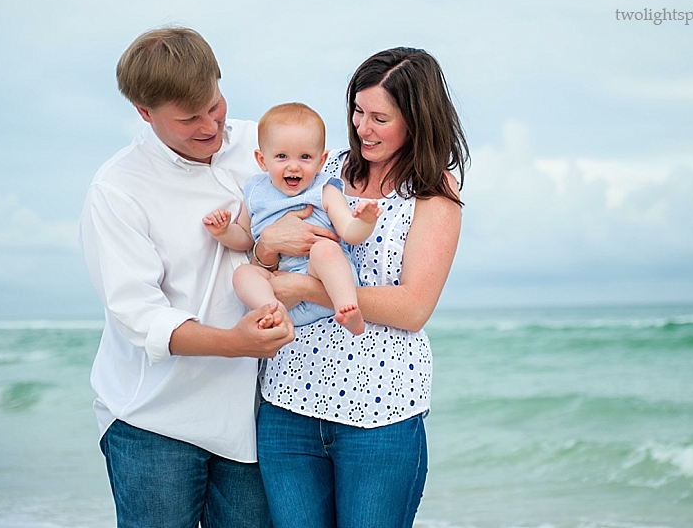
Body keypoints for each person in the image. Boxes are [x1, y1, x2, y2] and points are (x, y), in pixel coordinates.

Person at [79, 27, 300, 528]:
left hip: (252, 418)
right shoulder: (117, 188)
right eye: (189, 119)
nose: (210, 126)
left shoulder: (264, 146)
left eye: (214, 105)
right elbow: (141, 317)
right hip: (152, 418)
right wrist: (236, 342)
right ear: (144, 113)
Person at [252, 47, 470, 528]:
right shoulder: (321, 168)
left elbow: (413, 308)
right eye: (357, 111)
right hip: (288, 403)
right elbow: (267, 253)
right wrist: (265, 249)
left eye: (380, 117)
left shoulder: (434, 192)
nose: (362, 127)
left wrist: (307, 290)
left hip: (380, 413)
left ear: (416, 119)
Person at [202, 102, 383, 336]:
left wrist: (365, 221)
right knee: (243, 274)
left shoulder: (324, 190)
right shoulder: (255, 191)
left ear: (321, 161)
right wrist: (224, 232)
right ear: (262, 160)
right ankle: (272, 311)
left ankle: (349, 309)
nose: (294, 166)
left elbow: (350, 232)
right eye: (281, 156)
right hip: (283, 293)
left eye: (305, 157)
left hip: (326, 287)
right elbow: (246, 237)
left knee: (325, 249)